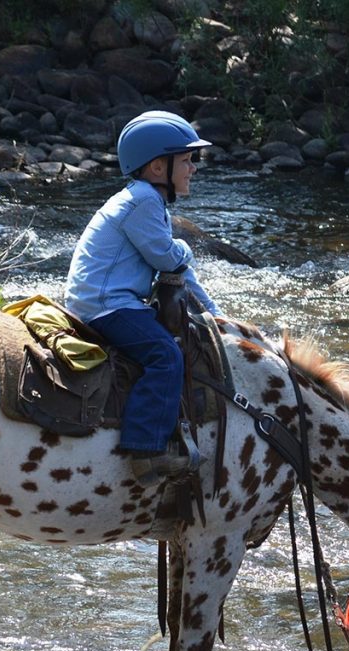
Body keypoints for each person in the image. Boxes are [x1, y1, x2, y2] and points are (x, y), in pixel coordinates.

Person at [65, 110, 221, 486]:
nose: (193, 168)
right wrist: (185, 247)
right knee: (165, 356)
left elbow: (180, 274)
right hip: (106, 304)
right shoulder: (143, 202)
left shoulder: (148, 201)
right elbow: (169, 258)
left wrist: (216, 317)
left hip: (111, 300)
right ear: (157, 167)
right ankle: (146, 450)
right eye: (187, 160)